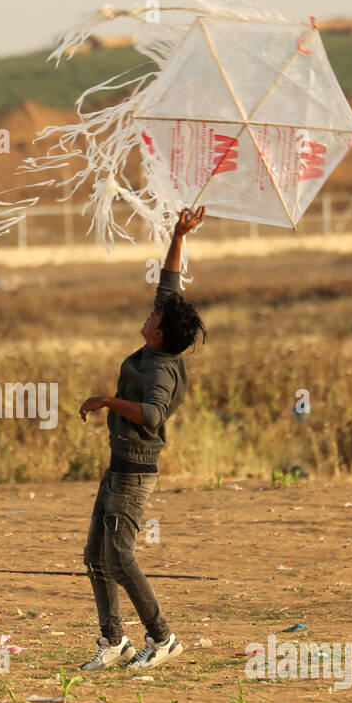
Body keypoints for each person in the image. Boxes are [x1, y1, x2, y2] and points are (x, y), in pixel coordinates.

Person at [78, 207, 209, 671]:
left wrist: (107, 401)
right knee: (95, 557)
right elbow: (169, 286)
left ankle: (163, 637)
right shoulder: (160, 342)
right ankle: (114, 642)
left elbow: (153, 414)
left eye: (155, 314)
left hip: (134, 476)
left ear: (159, 333)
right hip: (118, 468)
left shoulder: (160, 371)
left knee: (120, 559)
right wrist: (178, 235)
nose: (150, 312)